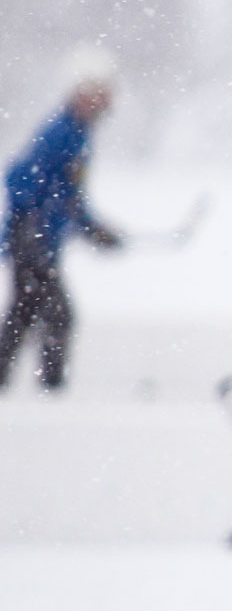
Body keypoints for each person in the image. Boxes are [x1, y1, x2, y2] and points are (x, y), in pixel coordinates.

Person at [2, 47, 123, 393]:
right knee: (57, 316)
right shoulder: (62, 133)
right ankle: (51, 391)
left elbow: (69, 198)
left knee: (24, 313)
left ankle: (31, 385)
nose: (107, 99)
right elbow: (19, 178)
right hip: (33, 244)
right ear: (83, 91)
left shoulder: (78, 134)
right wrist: (28, 223)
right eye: (101, 90)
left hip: (40, 244)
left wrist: (94, 230)